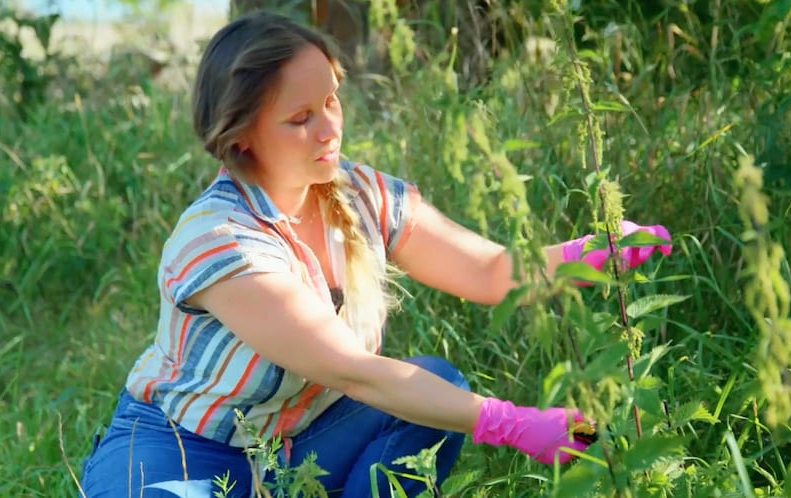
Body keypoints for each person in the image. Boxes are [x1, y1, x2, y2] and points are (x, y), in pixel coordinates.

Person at [79, 11, 672, 498]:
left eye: (331, 101)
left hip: (301, 443)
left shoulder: (360, 193)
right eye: (300, 119)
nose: (328, 129)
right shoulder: (220, 238)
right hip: (182, 449)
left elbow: (490, 271)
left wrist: (592, 252)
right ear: (241, 137)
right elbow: (353, 371)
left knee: (436, 386)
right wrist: (511, 423)